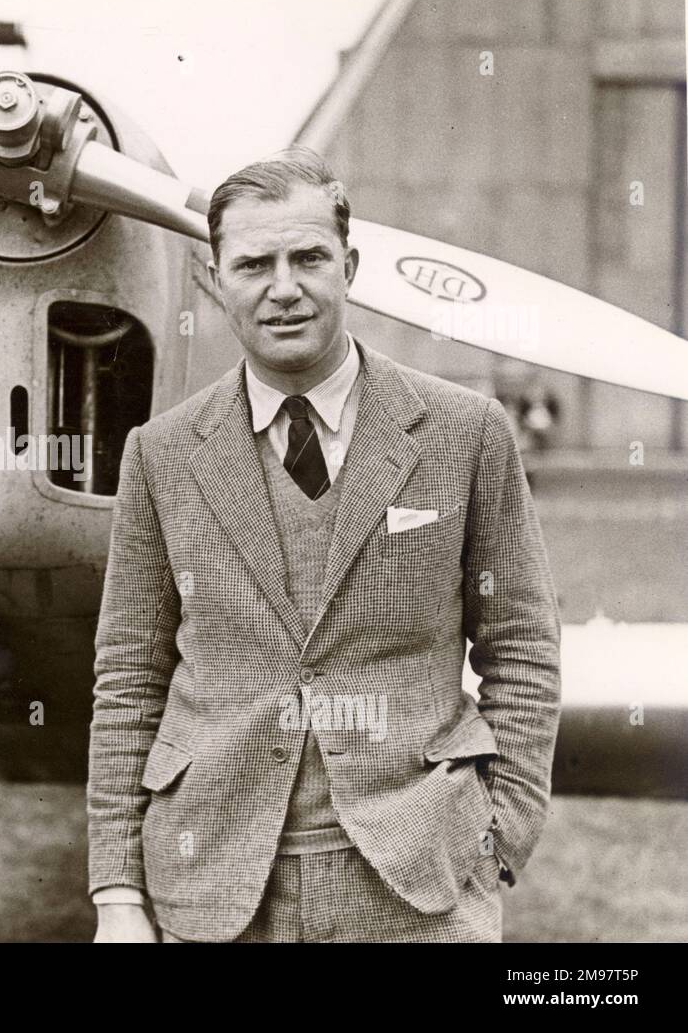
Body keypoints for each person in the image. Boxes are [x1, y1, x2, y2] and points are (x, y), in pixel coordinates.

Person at [87, 147, 560, 942]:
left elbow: (520, 642)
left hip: (417, 883)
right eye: (253, 264)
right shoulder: (160, 453)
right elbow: (130, 675)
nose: (284, 287)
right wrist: (115, 890)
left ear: (350, 265)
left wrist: (498, 835)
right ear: (213, 278)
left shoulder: (463, 432)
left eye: (308, 257)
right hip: (215, 886)